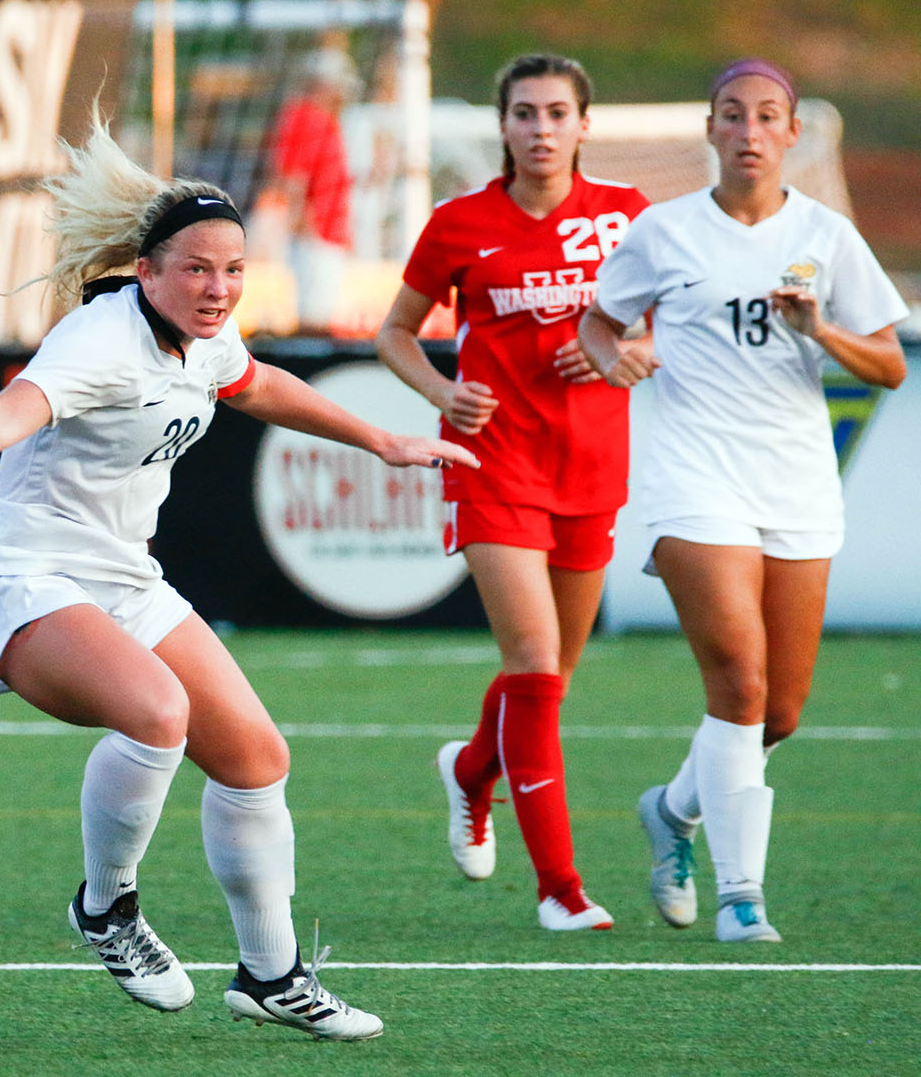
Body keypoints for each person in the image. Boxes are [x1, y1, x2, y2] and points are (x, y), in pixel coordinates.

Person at [0, 114, 477, 1041]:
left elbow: (260, 383)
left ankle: (270, 974)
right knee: (157, 713)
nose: (218, 287)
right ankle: (106, 910)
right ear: (146, 271)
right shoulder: (100, 338)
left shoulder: (205, 339)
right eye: (196, 268)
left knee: (256, 758)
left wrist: (382, 437)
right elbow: (6, 412)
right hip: (25, 571)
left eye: (233, 269)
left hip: (120, 576)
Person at [580, 60, 907, 943]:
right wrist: (619, 359)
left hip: (797, 483)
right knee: (739, 680)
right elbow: (599, 321)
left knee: (780, 713)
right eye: (734, 115)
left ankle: (672, 811)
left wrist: (820, 330)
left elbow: (888, 364)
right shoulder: (664, 230)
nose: (751, 131)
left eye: (768, 116)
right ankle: (742, 896)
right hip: (695, 479)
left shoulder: (827, 235)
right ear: (712, 131)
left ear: (793, 134)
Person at [374, 53, 650, 931]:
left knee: (552, 675)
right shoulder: (459, 224)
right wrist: (441, 393)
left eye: (556, 112)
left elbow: (658, 340)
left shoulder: (625, 218)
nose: (540, 128)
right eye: (524, 112)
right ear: (502, 126)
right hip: (491, 465)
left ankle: (469, 774)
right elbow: (395, 334)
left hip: (591, 468)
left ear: (583, 125)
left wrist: (622, 357)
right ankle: (561, 891)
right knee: (534, 669)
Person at [262, 44, 358, 334]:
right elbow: (292, 179)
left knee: (321, 315)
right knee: (314, 321)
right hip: (316, 234)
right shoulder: (305, 118)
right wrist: (307, 228)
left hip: (324, 233)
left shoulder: (318, 119)